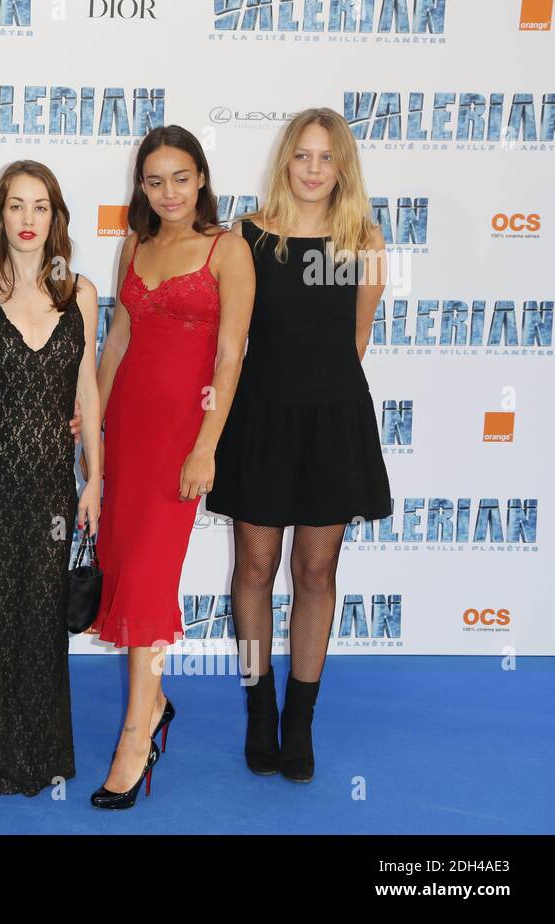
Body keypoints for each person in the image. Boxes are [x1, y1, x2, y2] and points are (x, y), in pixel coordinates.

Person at [204, 108, 391, 783]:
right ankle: (259, 709)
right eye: (302, 156)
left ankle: (300, 723)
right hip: (263, 418)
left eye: (325, 157)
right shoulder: (249, 237)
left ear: (343, 167)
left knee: (317, 574)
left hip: (333, 422)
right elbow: (231, 342)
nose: (312, 169)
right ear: (285, 161)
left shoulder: (362, 240)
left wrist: (326, 396)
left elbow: (358, 336)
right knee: (254, 570)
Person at [91, 125, 255, 809]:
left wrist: (207, 444)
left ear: (201, 178)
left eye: (180, 178)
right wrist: (93, 428)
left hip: (183, 436)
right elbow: (119, 336)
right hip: (126, 429)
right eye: (154, 181)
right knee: (125, 568)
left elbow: (231, 354)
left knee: (151, 582)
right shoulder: (135, 244)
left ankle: (136, 732)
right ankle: (153, 704)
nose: (168, 193)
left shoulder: (228, 250)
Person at [0, 160, 102, 796]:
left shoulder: (81, 294)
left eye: (40, 207)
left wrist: (94, 478)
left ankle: (39, 750)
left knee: (40, 614)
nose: (29, 219)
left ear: (56, 216)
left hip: (50, 487)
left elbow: (87, 390)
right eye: (17, 206)